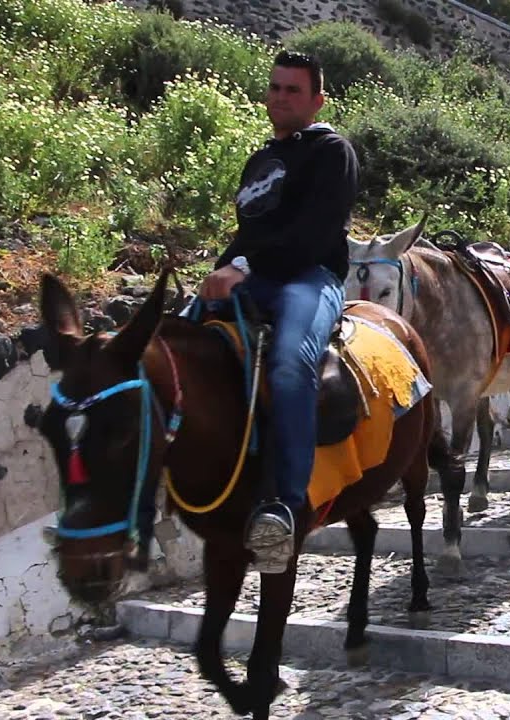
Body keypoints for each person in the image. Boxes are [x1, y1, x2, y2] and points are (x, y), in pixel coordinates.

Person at [195, 50, 359, 572]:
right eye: (275, 87)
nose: (280, 97)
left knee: (290, 363)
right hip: (255, 273)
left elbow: (312, 234)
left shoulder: (332, 151)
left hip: (310, 277)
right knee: (167, 345)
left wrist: (242, 265)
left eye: (293, 90)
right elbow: (249, 233)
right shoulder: (260, 160)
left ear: (317, 100)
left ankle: (285, 506)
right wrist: (220, 272)